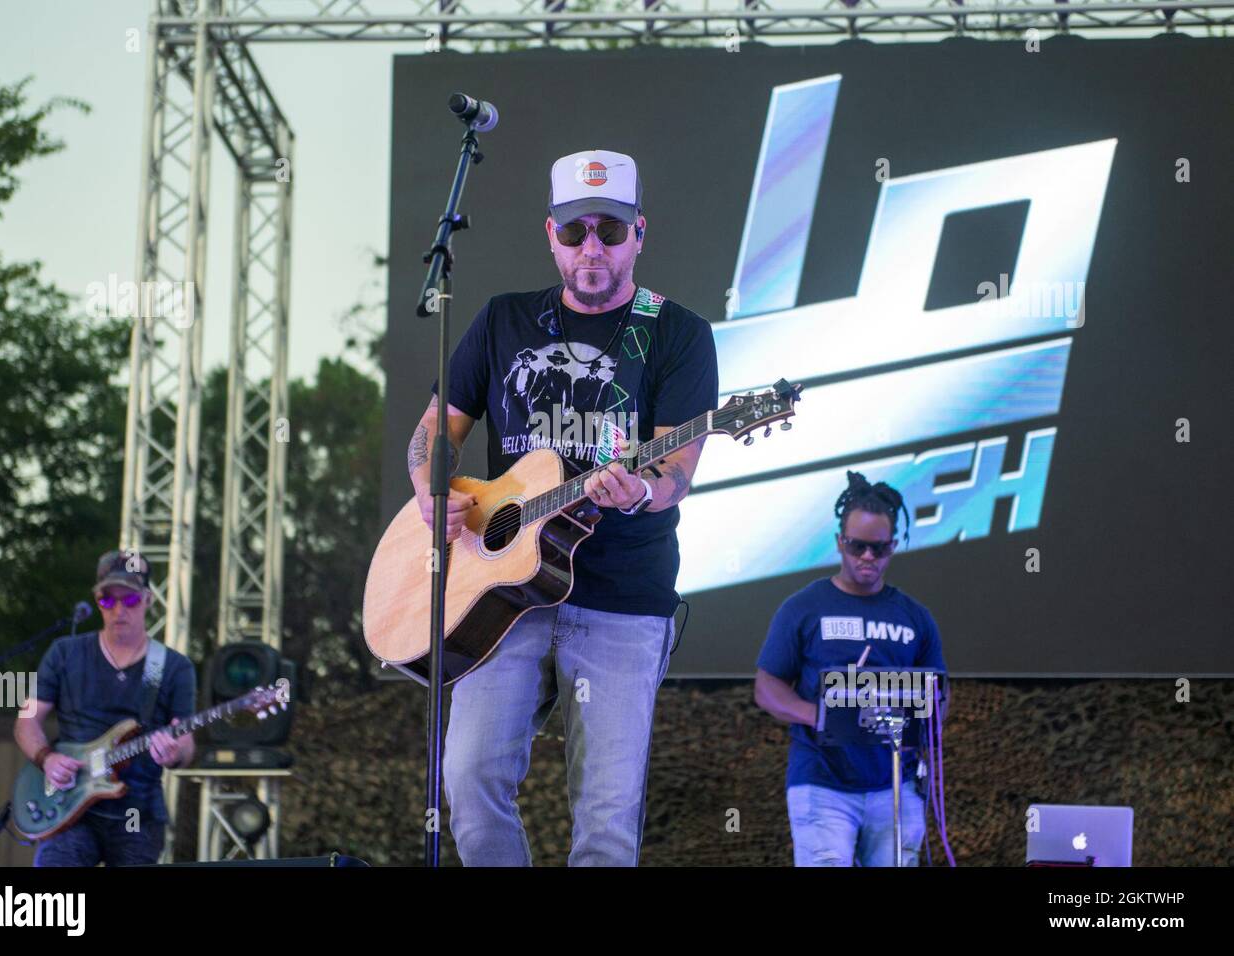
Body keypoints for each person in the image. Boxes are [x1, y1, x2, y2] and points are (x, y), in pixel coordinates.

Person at [405, 148, 718, 865]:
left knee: (606, 821)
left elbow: (672, 470)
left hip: (622, 600)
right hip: (500, 594)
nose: (592, 248)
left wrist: (637, 490)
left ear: (640, 232)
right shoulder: (499, 321)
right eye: (576, 232)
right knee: (469, 777)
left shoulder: (676, 333)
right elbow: (434, 432)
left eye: (611, 231)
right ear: (551, 233)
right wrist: (432, 491)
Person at [753, 472, 949, 866]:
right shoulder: (804, 607)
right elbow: (767, 687)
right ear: (841, 542)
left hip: (895, 782)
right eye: (858, 546)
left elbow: (939, 692)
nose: (867, 558)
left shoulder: (915, 617)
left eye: (879, 549)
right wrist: (820, 715)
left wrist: (920, 728)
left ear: (893, 546)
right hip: (821, 781)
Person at [14, 550, 196, 866]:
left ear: (148, 601)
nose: (118, 610)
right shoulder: (65, 654)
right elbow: (27, 722)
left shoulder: (171, 667)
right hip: (70, 803)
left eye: (130, 600)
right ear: (97, 600)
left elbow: (186, 743)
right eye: (107, 601)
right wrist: (47, 758)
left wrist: (174, 753)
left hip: (136, 810)